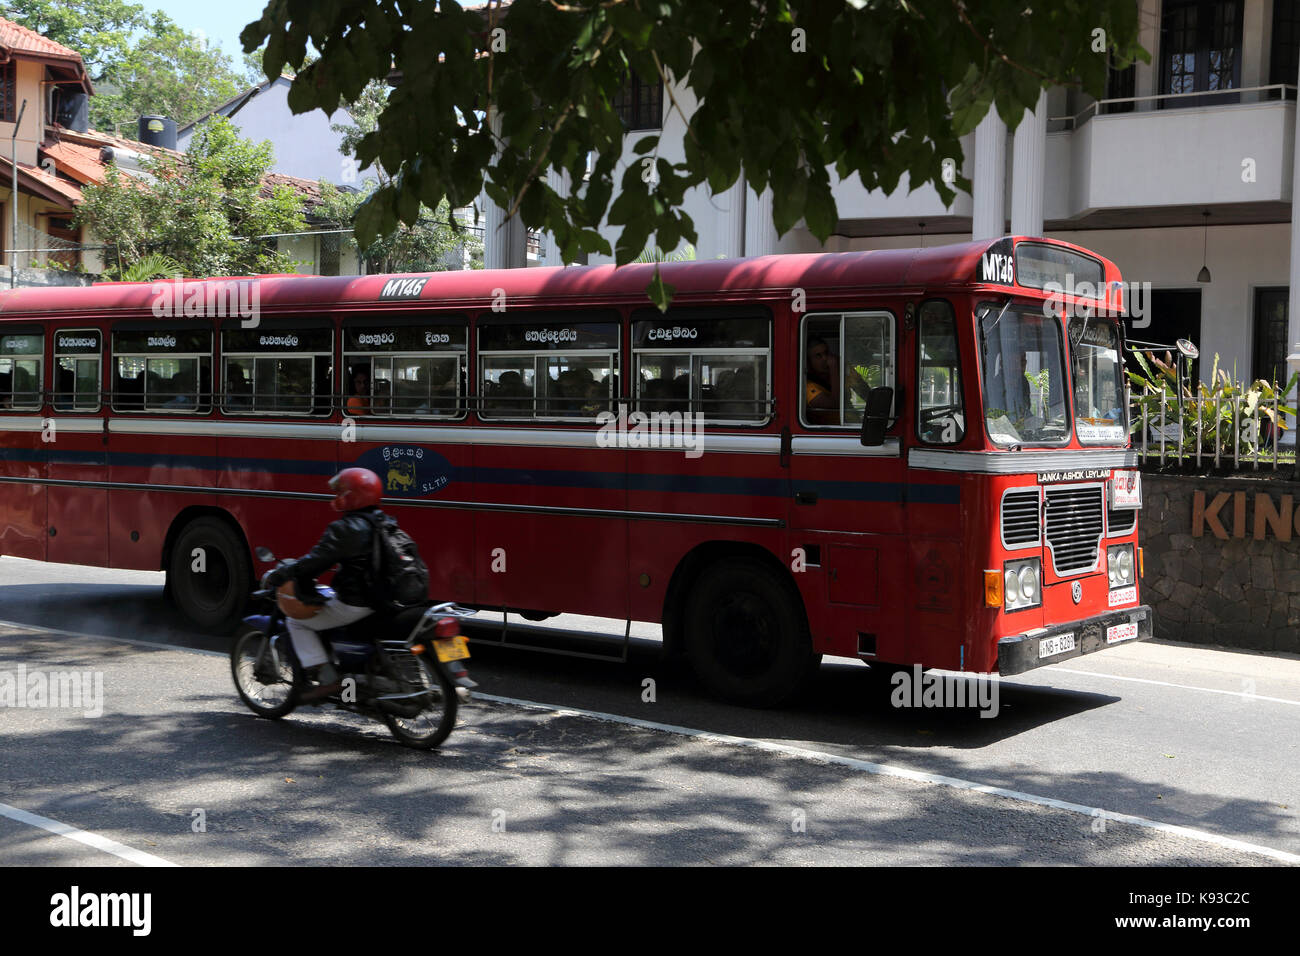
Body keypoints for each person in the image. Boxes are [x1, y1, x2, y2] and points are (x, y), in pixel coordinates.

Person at [261, 467, 392, 700]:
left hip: (357, 602)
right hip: (386, 598)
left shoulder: (346, 528)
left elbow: (315, 561)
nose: (337, 497)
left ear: (351, 496)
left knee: (296, 622)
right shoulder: (385, 521)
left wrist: (282, 574)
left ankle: (329, 680)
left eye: (341, 492)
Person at [805, 336, 870, 425]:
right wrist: (834, 368)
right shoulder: (808, 386)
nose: (825, 358)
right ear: (808, 362)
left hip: (854, 425)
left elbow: (866, 395)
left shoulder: (842, 373)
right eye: (818, 356)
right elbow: (835, 405)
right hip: (836, 431)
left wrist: (847, 370)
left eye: (826, 353)